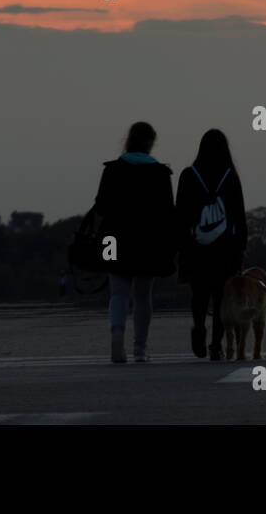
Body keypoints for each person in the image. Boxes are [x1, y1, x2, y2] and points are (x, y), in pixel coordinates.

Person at [94, 121, 176, 364]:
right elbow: (168, 213)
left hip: (115, 240)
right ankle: (140, 348)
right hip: (148, 242)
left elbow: (100, 205)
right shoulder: (161, 173)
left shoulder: (113, 170)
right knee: (143, 295)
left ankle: (117, 334)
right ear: (151, 143)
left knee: (118, 293)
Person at [176, 128, 247, 361]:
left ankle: (198, 328)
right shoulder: (230, 176)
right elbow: (238, 215)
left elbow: (181, 214)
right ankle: (216, 344)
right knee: (220, 299)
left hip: (196, 247)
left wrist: (181, 246)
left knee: (199, 294)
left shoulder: (188, 175)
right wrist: (241, 246)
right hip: (225, 248)